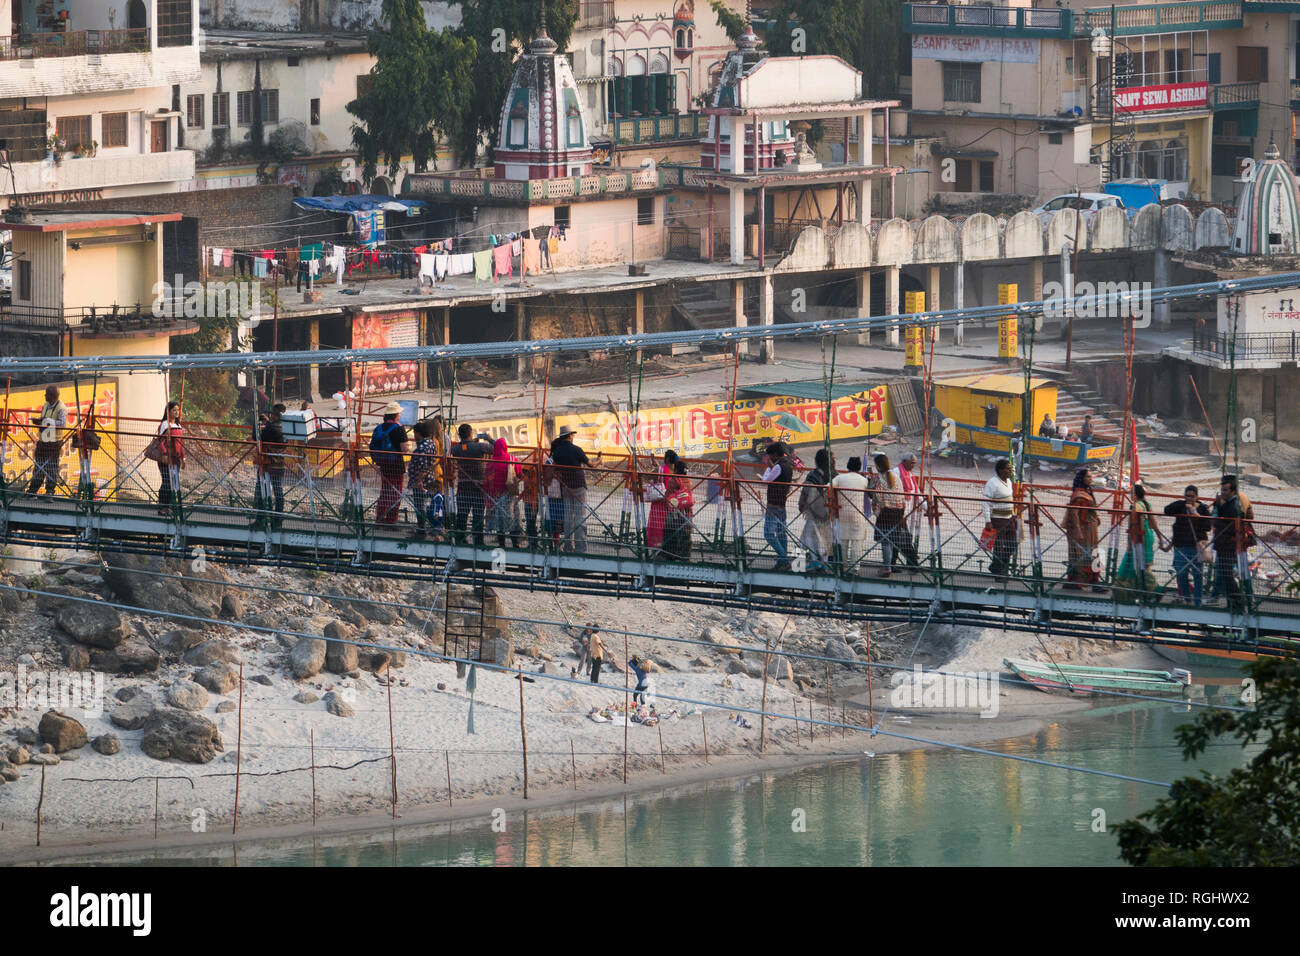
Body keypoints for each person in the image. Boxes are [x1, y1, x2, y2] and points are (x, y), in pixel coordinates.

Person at [550, 425, 598, 552]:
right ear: (570, 436)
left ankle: (567, 546)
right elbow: (591, 465)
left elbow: (553, 467)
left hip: (565, 486)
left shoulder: (557, 451)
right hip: (578, 486)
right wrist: (599, 460)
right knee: (580, 517)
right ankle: (580, 548)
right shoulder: (576, 449)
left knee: (567, 517)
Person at [1164, 484, 1211, 606]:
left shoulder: (1203, 509)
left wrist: (1197, 516)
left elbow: (1208, 526)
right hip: (1181, 545)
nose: (1189, 498)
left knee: (1198, 575)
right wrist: (1181, 506)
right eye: (1187, 496)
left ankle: (1197, 601)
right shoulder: (1181, 505)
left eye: (1192, 496)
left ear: (1197, 497)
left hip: (1197, 546)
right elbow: (1167, 510)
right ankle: (1187, 599)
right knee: (1181, 573)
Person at [1116, 483, 1160, 601]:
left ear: (1134, 495)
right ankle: (1147, 591)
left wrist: (1129, 544)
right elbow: (1154, 522)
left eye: (1131, 494)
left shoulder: (1135, 507)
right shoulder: (1147, 504)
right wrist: (1160, 537)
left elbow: (1133, 526)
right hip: (1148, 536)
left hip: (1140, 537)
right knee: (1144, 564)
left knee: (1139, 564)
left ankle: (1154, 590)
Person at [869, 453, 912, 576]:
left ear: (877, 466)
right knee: (892, 539)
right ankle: (890, 565)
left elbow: (876, 497)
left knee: (885, 541)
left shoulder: (879, 479)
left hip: (886, 512)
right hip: (898, 512)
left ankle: (887, 567)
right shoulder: (896, 476)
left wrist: (876, 510)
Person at [450, 423, 492, 545]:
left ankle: (460, 538)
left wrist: (470, 442)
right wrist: (488, 438)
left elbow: (463, 447)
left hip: (463, 486)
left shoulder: (456, 449)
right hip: (478, 486)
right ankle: (478, 540)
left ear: (460, 435)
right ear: (471, 433)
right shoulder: (479, 447)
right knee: (478, 515)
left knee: (462, 514)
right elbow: (498, 448)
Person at [369, 402, 410, 526]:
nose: (400, 414)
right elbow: (404, 449)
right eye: (399, 413)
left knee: (385, 492)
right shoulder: (399, 428)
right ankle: (391, 521)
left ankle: (380, 519)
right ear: (396, 415)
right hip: (396, 465)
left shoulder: (379, 427)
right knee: (396, 493)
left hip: (384, 465)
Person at [1212, 475, 1249, 611]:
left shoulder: (1233, 506)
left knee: (1227, 575)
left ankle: (1236, 602)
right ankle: (1234, 601)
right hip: (1225, 544)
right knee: (1226, 575)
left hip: (1228, 544)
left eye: (1225, 490)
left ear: (1233, 491)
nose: (1223, 493)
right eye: (1222, 490)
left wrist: (1217, 511)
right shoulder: (1229, 504)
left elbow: (1220, 523)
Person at [1061, 468, 1102, 590]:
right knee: (1081, 554)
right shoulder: (1079, 495)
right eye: (1088, 477)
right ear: (1082, 479)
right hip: (1083, 530)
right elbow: (1074, 513)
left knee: (1093, 554)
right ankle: (1079, 581)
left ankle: (1094, 581)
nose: (1091, 479)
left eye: (1091, 477)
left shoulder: (1087, 492)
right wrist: (1078, 530)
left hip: (1091, 530)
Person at [831, 456, 871, 575]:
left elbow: (827, 487)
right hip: (858, 515)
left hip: (842, 514)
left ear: (848, 466)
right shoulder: (863, 480)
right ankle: (855, 569)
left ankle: (842, 566)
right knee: (856, 543)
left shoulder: (839, 478)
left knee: (843, 542)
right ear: (859, 467)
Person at [27, 385, 67, 496]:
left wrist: (48, 421)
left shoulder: (61, 408)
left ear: (52, 396)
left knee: (52, 468)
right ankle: (32, 491)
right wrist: (39, 421)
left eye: (46, 394)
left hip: (54, 443)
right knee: (38, 467)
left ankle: (49, 492)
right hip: (43, 441)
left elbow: (62, 424)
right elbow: (44, 419)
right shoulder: (45, 405)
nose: (44, 396)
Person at [761, 441, 795, 571]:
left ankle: (784, 559)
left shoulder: (778, 466)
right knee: (781, 534)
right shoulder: (788, 465)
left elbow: (765, 481)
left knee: (769, 534)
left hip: (773, 505)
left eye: (770, 455)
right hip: (782, 504)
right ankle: (782, 562)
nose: (769, 458)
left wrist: (769, 468)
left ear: (775, 455)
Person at [981, 458, 1017, 581]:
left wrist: (1013, 515)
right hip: (998, 519)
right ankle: (999, 573)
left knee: (1012, 545)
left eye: (1010, 468)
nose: (1010, 470)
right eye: (1008, 468)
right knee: (999, 547)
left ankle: (996, 566)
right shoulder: (992, 483)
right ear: (1000, 470)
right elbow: (986, 503)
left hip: (1009, 519)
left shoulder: (1009, 482)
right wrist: (988, 521)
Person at [798, 449, 833, 572]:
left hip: (814, 510)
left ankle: (815, 561)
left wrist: (801, 504)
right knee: (823, 536)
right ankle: (824, 562)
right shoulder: (834, 474)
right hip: (828, 510)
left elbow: (805, 491)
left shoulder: (813, 475)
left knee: (809, 535)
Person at [485, 437, 522, 548]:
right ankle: (515, 544)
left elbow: (486, 480)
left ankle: (502, 544)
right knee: (512, 518)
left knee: (499, 521)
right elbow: (519, 474)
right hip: (509, 495)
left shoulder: (490, 463)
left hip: (495, 496)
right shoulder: (512, 458)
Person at [406, 422, 442, 538]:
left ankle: (421, 530)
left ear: (418, 433)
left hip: (421, 481)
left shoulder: (421, 447)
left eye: (414, 433)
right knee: (428, 504)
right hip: (430, 478)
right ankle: (431, 527)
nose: (414, 435)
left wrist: (419, 481)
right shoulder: (431, 443)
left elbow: (422, 466)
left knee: (419, 505)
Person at [257, 403, 288, 527]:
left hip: (268, 463)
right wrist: (269, 422)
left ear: (275, 414)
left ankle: (260, 518)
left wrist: (258, 425)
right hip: (279, 462)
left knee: (262, 491)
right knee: (278, 491)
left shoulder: (271, 428)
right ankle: (278, 519)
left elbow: (259, 437)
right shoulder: (285, 427)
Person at [661, 454, 695, 561]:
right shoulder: (688, 481)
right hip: (687, 511)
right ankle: (685, 555)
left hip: (675, 512)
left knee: (669, 532)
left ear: (676, 470)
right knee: (686, 533)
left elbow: (667, 496)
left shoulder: (673, 480)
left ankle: (669, 554)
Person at [156, 400, 185, 513]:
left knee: (174, 481)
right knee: (167, 481)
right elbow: (160, 441)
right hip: (166, 457)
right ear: (168, 412)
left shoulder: (178, 425)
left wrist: (183, 458)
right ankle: (163, 506)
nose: (176, 412)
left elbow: (180, 443)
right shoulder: (165, 424)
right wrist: (163, 454)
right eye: (174, 410)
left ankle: (171, 506)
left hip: (175, 458)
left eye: (177, 410)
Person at [645, 451, 675, 553]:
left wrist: (654, 465)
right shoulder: (676, 470)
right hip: (672, 502)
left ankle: (655, 549)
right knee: (669, 526)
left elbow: (649, 477)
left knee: (657, 526)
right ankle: (668, 548)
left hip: (659, 501)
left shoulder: (661, 470)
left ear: (666, 459)